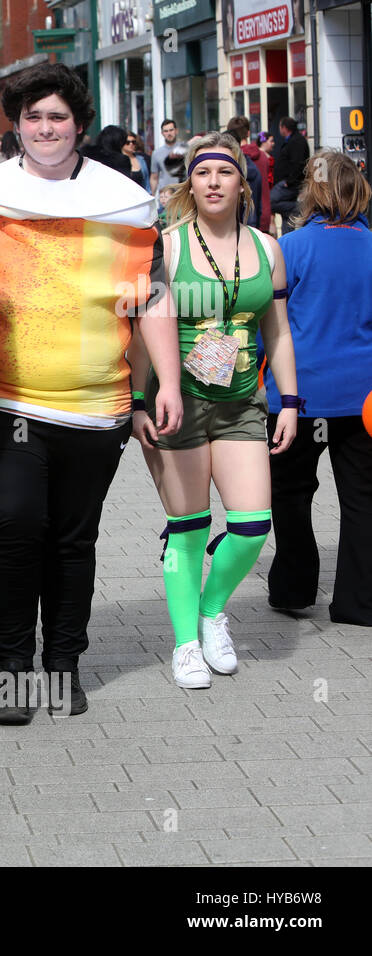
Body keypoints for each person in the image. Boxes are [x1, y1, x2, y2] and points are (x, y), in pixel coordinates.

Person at [0, 62, 178, 722]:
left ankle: (64, 665)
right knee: (15, 527)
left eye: (56, 117)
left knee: (74, 540)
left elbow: (153, 295)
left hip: (97, 403)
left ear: (78, 124)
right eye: (32, 117)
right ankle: (14, 667)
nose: (44, 128)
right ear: (15, 125)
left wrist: (163, 382)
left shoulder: (125, 200)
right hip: (1, 397)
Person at [129, 131, 297, 689]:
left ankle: (210, 611)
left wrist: (290, 402)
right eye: (202, 174)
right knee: (189, 527)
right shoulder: (170, 245)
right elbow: (139, 332)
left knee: (252, 526)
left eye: (224, 173)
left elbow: (278, 329)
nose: (213, 183)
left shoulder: (267, 248)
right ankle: (185, 645)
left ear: (241, 181)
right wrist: (136, 402)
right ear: (190, 184)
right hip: (180, 403)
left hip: (243, 399)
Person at [266, 152, 372, 626]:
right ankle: (357, 601)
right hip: (362, 396)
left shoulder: (289, 248)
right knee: (363, 499)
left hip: (298, 395)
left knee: (290, 496)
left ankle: (293, 586)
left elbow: (269, 322)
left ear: (313, 192)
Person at [231, 117, 272, 233]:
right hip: (262, 216)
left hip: (241, 223)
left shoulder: (232, 160)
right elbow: (267, 186)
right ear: (248, 133)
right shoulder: (263, 156)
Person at [270, 117, 309, 235]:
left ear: (284, 128)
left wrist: (290, 181)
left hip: (290, 184)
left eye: (280, 128)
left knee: (270, 203)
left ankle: (299, 207)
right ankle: (286, 244)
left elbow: (299, 163)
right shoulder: (292, 140)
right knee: (288, 218)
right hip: (287, 182)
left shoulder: (297, 141)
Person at [150, 118, 185, 197]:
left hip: (182, 195)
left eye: (171, 130)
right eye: (166, 131)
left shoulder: (184, 148)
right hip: (165, 197)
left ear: (176, 131)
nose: (169, 133)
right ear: (162, 133)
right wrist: (152, 195)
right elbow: (154, 177)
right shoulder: (156, 153)